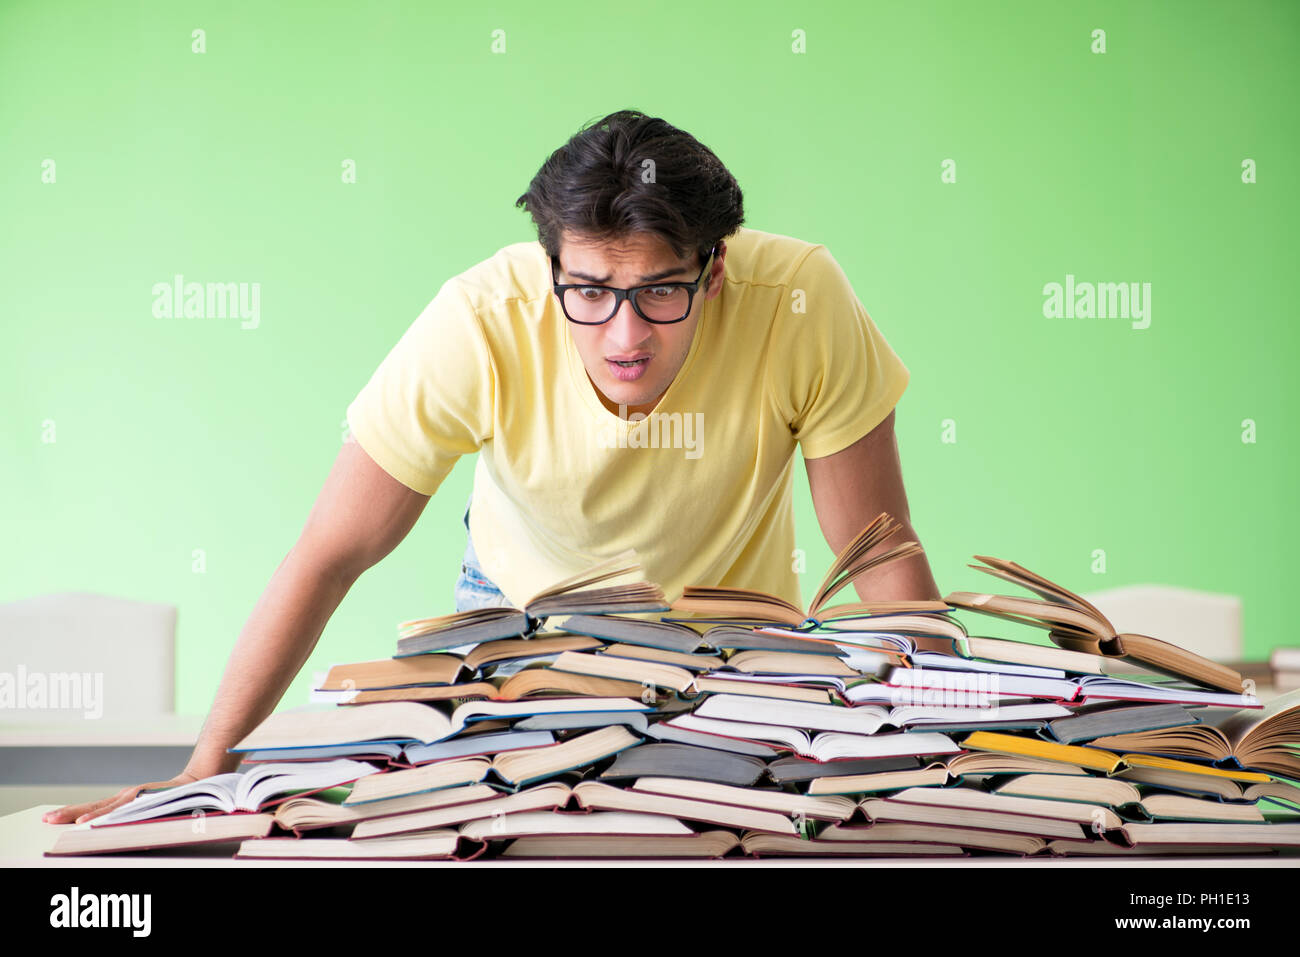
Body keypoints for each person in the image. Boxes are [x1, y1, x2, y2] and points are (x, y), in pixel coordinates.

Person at [45, 109, 940, 826]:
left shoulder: (799, 300)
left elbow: (879, 546)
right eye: (589, 291)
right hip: (519, 613)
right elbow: (331, 550)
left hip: (731, 634)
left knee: (720, 829)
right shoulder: (478, 321)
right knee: (499, 823)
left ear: (712, 273)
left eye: (661, 290)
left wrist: (959, 745)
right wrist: (207, 767)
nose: (624, 336)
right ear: (551, 267)